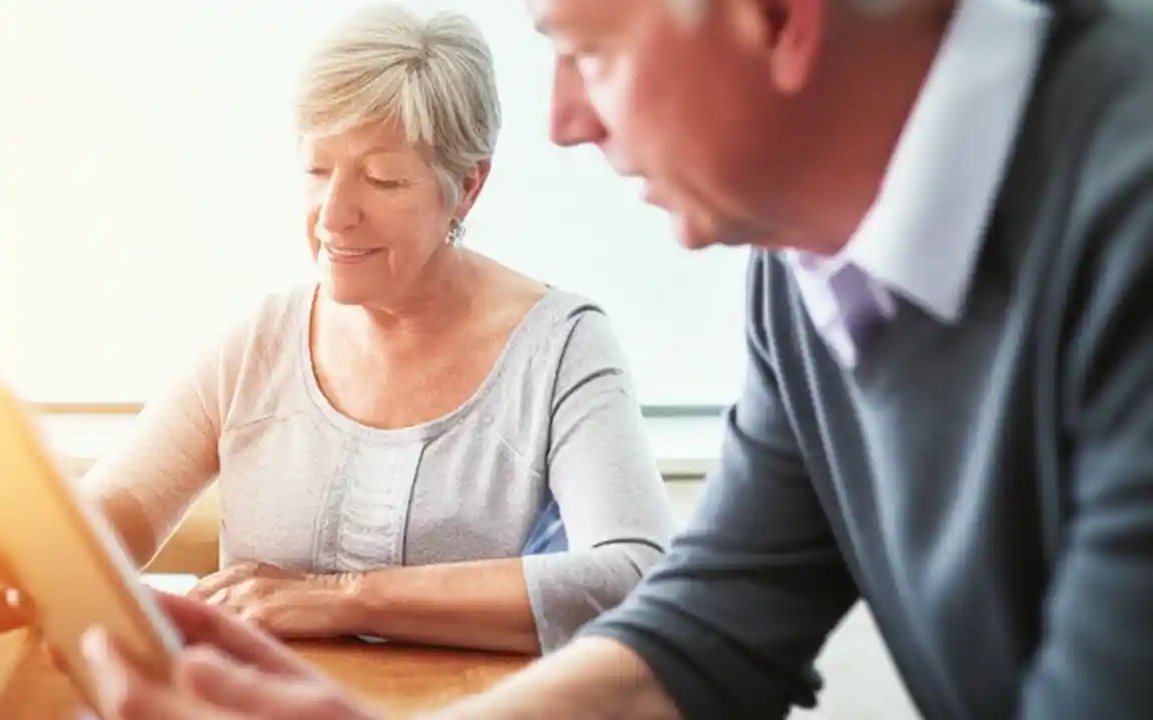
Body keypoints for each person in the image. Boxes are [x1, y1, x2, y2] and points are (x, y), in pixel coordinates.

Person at [75, 0, 1153, 717]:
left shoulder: (1124, 207)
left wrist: (349, 599)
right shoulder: (802, 263)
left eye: (590, 49)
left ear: (780, 19)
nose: (564, 120)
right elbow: (704, 627)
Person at [0, 4, 674, 657]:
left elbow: (635, 574)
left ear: (467, 185)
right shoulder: (262, 340)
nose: (334, 216)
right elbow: (115, 519)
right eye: (316, 171)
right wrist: (18, 562)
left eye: (381, 179)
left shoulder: (563, 344)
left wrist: (344, 598)